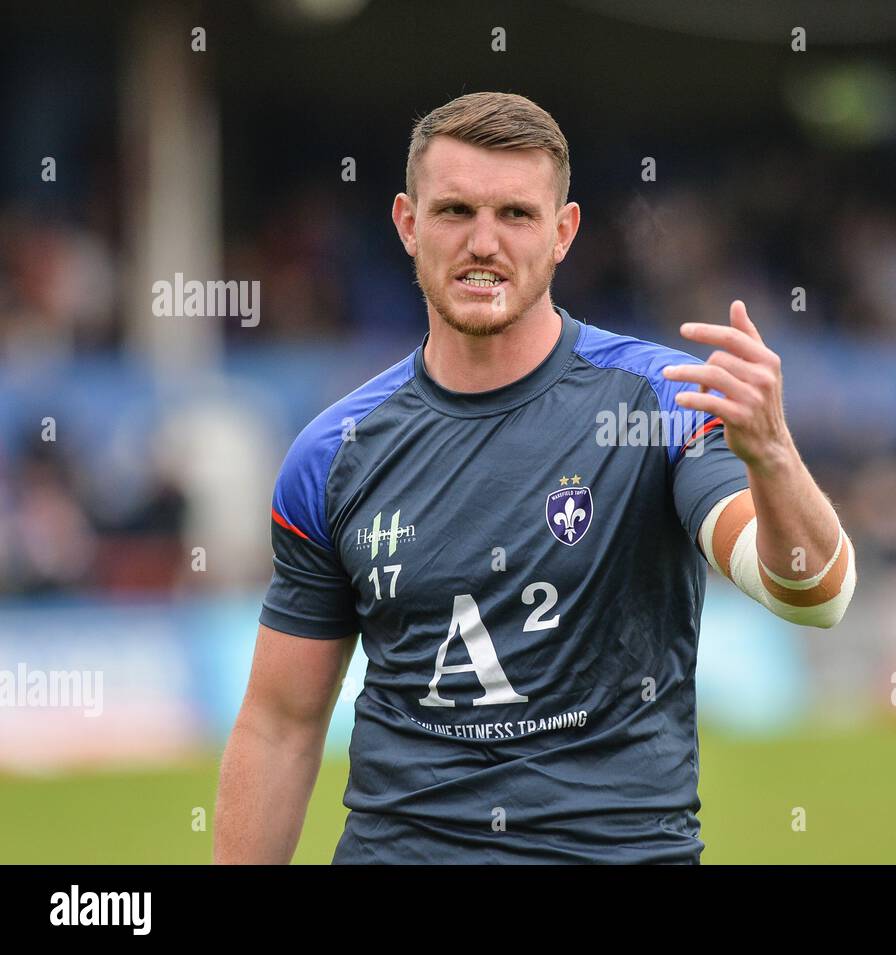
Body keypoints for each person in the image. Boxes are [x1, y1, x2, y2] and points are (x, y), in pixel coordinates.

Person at [214, 91, 856, 864]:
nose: (484, 242)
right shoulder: (334, 452)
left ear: (562, 233)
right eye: (454, 211)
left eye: (516, 215)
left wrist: (775, 456)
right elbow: (280, 723)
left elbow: (814, 593)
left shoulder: (660, 403)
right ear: (408, 224)